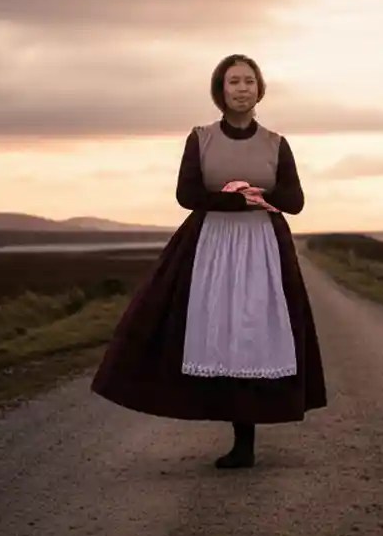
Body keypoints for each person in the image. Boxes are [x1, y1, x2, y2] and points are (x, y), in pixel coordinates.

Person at [90, 53, 328, 468]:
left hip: (263, 247)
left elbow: (296, 201)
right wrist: (236, 200)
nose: (241, 89)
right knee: (209, 331)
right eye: (233, 82)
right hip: (209, 245)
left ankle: (245, 444)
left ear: (260, 89)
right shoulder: (201, 138)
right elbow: (187, 195)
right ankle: (213, 417)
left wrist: (258, 197)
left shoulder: (276, 143)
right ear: (220, 90)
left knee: (253, 335)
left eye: (248, 82)